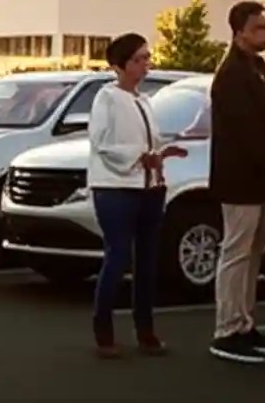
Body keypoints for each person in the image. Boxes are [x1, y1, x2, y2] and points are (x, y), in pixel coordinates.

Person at [87, 32, 188, 359]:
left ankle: (145, 330)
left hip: (149, 189)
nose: (146, 64)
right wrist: (139, 155)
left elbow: (149, 142)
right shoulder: (107, 98)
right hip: (116, 189)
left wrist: (161, 153)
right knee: (118, 256)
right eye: (138, 59)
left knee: (147, 260)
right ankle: (103, 330)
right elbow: (101, 143)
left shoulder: (144, 100)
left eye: (147, 57)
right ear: (120, 65)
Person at [207, 1, 265, 364]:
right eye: (258, 28)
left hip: (260, 180)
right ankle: (226, 330)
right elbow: (248, 133)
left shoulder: (260, 69)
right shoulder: (231, 75)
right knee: (236, 252)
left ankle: (244, 322)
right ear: (239, 31)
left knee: (254, 253)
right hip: (239, 179)